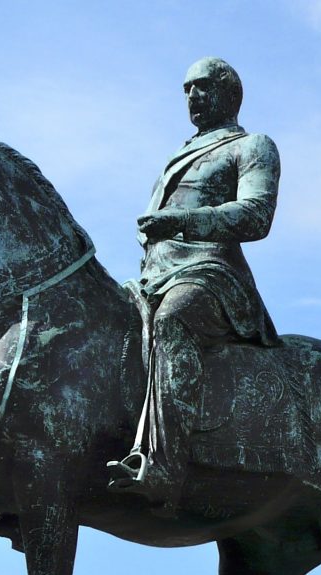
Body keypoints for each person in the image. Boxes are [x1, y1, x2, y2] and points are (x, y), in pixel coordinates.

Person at [108, 57, 281, 510]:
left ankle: (163, 466)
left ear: (229, 93)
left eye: (202, 87)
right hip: (156, 275)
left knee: (172, 321)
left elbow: (256, 215)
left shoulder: (252, 146)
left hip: (212, 276)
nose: (192, 97)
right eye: (186, 89)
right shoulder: (179, 154)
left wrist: (182, 220)